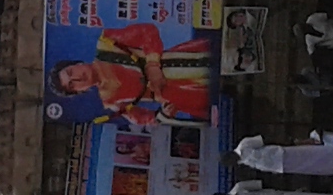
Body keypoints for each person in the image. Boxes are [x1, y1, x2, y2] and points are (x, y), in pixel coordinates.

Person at [48, 22, 215, 122]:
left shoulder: (107, 43)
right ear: (79, 91)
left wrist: (152, 65)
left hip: (191, 58)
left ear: (77, 63)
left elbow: (147, 31)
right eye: (72, 85)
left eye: (71, 72)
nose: (77, 78)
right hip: (188, 97)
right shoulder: (110, 102)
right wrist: (163, 115)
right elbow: (142, 119)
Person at [230, 133, 333, 177]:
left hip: (281, 153)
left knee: (311, 153)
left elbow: (263, 140)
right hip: (280, 167)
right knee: (312, 166)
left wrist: (285, 142)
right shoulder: (242, 161)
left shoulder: (244, 145)